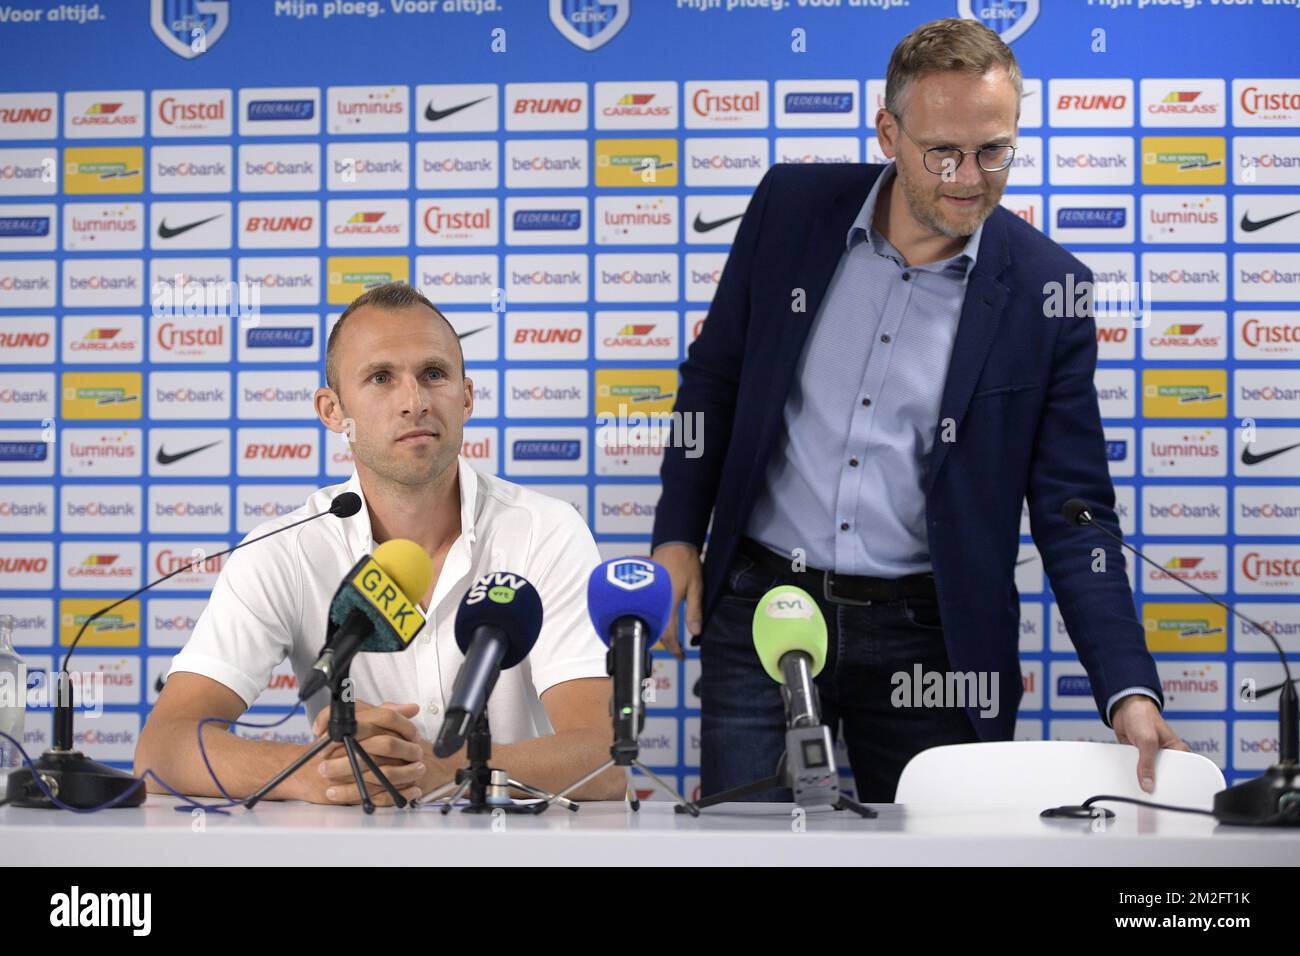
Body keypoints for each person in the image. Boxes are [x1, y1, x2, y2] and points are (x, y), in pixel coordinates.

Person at [651, 18, 1186, 803]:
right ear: (888, 132)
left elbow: (1076, 516)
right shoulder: (790, 208)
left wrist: (1128, 690)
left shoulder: (1049, 293)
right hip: (763, 610)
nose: (969, 177)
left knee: (938, 856)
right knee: (747, 849)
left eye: (993, 150)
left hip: (930, 645)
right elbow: (715, 381)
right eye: (942, 152)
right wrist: (677, 534)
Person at [136, 282, 623, 805]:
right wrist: (311, 772)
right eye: (380, 378)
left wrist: (443, 768)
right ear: (331, 411)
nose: (413, 402)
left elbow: (605, 760)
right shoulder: (285, 550)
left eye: (433, 374)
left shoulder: (545, 531)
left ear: (466, 396)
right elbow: (161, 749)